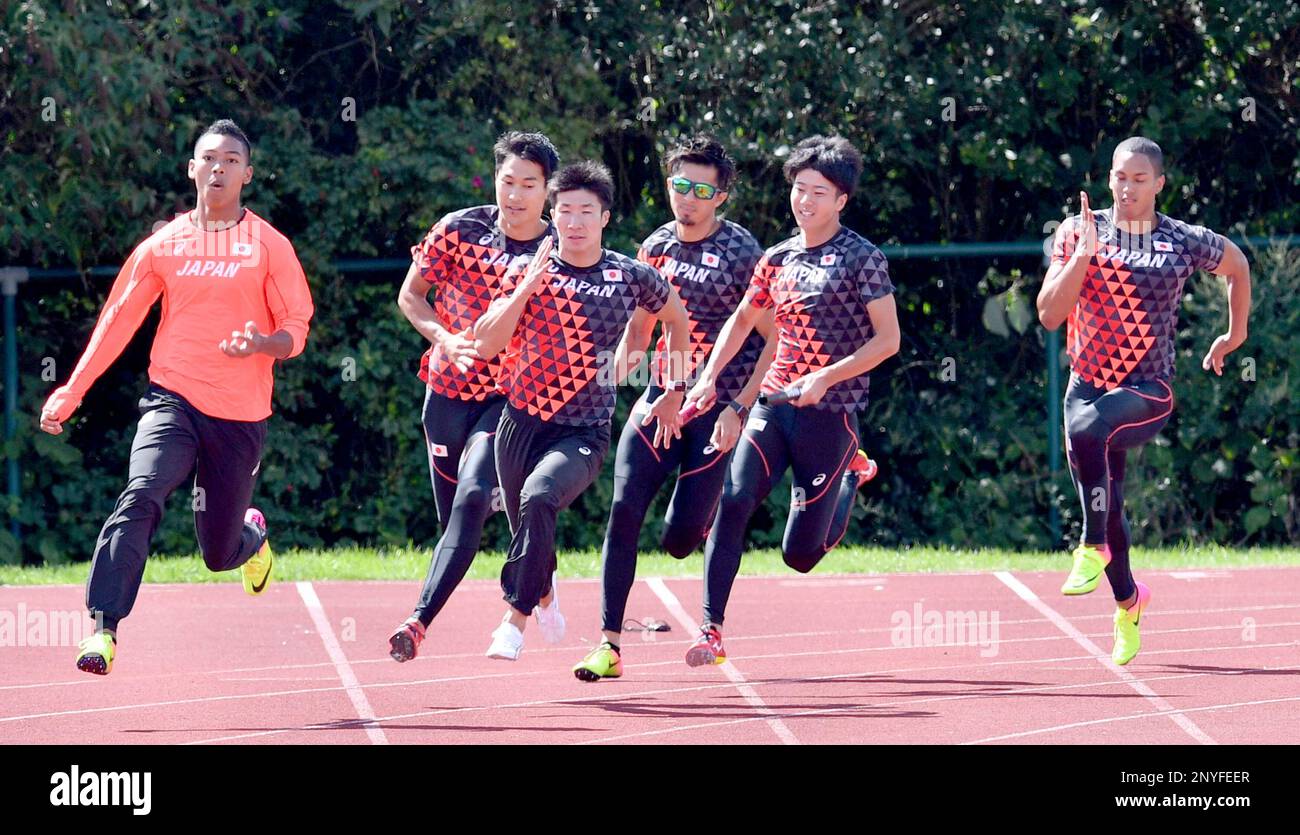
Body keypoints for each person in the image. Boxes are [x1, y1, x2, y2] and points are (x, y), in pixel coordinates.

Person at [39, 119, 315, 675]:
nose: (219, 168)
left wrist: (263, 342)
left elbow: (297, 327)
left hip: (239, 415)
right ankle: (103, 630)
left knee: (217, 553)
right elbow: (118, 321)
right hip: (172, 400)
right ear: (191, 168)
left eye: (232, 160)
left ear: (248, 174)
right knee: (142, 492)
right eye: (209, 158)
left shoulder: (268, 245)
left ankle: (251, 536)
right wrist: (73, 389)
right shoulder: (164, 244)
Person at [679, 135, 899, 667]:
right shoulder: (776, 258)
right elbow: (743, 320)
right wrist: (710, 378)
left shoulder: (862, 258)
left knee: (798, 556)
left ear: (841, 200)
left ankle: (850, 473)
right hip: (773, 405)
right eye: (799, 189)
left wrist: (827, 377)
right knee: (732, 502)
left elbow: (887, 341)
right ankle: (711, 630)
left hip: (829, 415)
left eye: (818, 192)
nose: (805, 201)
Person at [1036, 136, 1251, 665]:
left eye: (1137, 179)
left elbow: (1239, 265)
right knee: (1109, 504)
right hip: (1085, 386)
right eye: (1117, 177)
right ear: (1108, 178)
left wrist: (1234, 333)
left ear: (1158, 183)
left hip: (1146, 391)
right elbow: (1047, 314)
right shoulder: (1078, 232)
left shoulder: (1182, 240)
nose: (1126, 188)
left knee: (1088, 431)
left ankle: (1088, 546)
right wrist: (1082, 256)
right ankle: (1129, 602)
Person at [572, 134, 775, 682]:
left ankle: (706, 565)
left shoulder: (742, 253)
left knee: (679, 540)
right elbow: (639, 332)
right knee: (623, 510)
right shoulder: (654, 246)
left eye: (700, 189)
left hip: (715, 406)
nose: (687, 197)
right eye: (679, 185)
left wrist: (737, 406)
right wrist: (604, 376)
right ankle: (609, 644)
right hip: (658, 398)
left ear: (721, 196)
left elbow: (773, 339)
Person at [473, 160, 691, 661]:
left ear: (605, 218)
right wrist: (524, 288)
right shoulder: (528, 267)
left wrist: (674, 387)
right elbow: (486, 345)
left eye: (585, 212)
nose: (574, 222)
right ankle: (544, 592)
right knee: (528, 524)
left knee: (539, 495)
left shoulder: (631, 276)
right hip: (519, 421)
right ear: (552, 214)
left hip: (583, 430)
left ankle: (514, 620)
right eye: (565, 210)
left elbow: (675, 320)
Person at [387, 131, 564, 663]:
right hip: (444, 394)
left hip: (507, 400)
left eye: (528, 185)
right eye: (507, 181)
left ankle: (417, 624)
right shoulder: (460, 228)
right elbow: (411, 295)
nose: (514, 195)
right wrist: (445, 338)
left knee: (470, 499)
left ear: (548, 191)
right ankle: (543, 577)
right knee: (455, 523)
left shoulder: (558, 249)